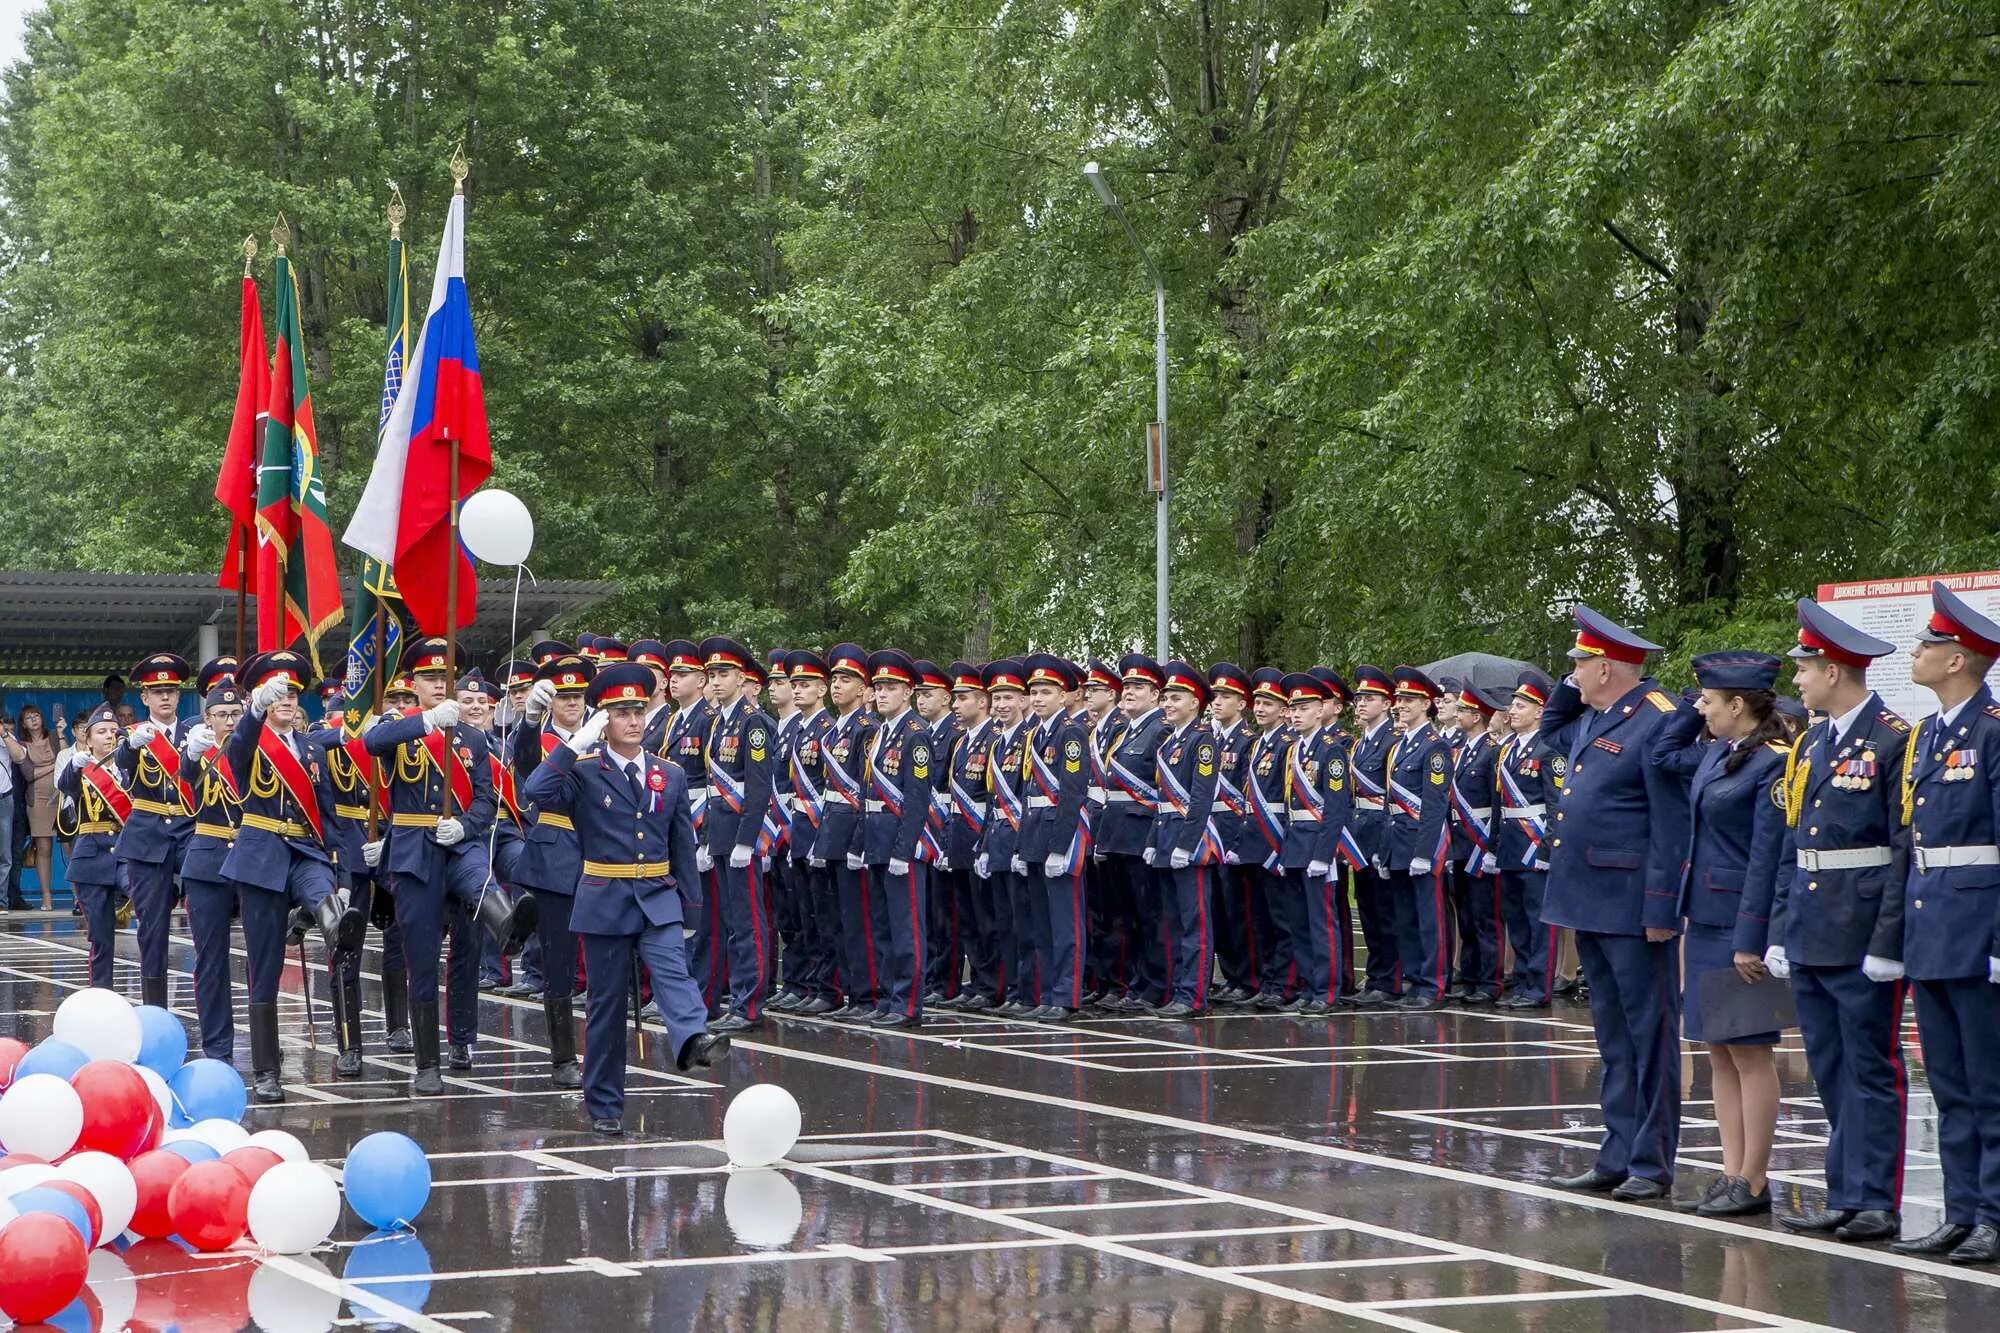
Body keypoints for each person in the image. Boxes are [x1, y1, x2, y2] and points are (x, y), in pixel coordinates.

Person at [521, 662, 729, 1134]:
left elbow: (679, 842)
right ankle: (605, 1105)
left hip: (657, 894)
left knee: (674, 970)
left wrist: (690, 909)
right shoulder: (585, 772)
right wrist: (574, 745)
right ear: (604, 719)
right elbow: (535, 790)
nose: (633, 720)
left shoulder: (668, 774)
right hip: (604, 897)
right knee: (606, 1007)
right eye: (620, 712)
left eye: (638, 710)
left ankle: (693, 1039)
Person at [1765, 598, 1911, 1243]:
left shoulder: (1892, 738)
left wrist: (1887, 939)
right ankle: (1845, 1191)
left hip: (1860, 927)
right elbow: (1792, 844)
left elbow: (1903, 849)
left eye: (1805, 667)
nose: (1796, 680)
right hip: (1812, 924)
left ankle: (1875, 1196)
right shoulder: (1811, 742)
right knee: (1828, 1065)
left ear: (1835, 670)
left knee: (1871, 1066)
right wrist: (1777, 930)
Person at [1540, 605, 1692, 1202]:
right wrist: (1574, 682)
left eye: (1579, 663)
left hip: (1632, 904)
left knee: (1649, 1036)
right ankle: (1616, 1151)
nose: (1570, 674)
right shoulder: (1596, 717)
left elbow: (1670, 823)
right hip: (1589, 899)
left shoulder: (1658, 719)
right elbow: (1551, 729)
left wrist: (1661, 908)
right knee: (1612, 1037)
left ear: (1606, 667)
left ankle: (1650, 1163)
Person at [1651, 652, 1790, 1217]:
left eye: (1710, 700)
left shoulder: (1773, 764)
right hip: (1704, 915)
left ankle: (1755, 1178)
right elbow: (1663, 756)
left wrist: (1753, 936)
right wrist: (1692, 708)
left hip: (1741, 921)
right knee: (1718, 1051)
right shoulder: (1716, 753)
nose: (1700, 707)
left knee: (1750, 1051)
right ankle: (1729, 1171)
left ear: (1739, 705)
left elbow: (1768, 857)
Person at [363, 637, 533, 1095]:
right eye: (431, 677)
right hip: (415, 852)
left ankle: (464, 1037)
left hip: (459, 845)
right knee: (422, 958)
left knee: (471, 928)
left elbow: (484, 799)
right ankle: (427, 1061)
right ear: (413, 683)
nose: (440, 684)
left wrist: (465, 825)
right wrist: (425, 722)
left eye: (445, 677)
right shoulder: (400, 726)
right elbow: (372, 741)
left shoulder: (474, 738)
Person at [1886, 583, 2000, 1263]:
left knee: (1989, 1083)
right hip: (1933, 923)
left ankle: (1992, 1209)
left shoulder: (1992, 731)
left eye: (1929, 644)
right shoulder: (1928, 732)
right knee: (1950, 1084)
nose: (1918, 653)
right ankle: (1962, 1210)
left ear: (1958, 658)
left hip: (1977, 925)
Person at [221, 651, 365, 1103]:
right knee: (263, 965)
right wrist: (254, 710)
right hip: (261, 855)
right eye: (277, 692)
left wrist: (340, 868)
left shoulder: (313, 747)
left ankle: (331, 916)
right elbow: (240, 748)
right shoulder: (246, 742)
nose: (287, 698)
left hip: (306, 851)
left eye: (292, 692)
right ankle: (266, 1070)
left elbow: (328, 811)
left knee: (324, 895)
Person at [515, 653, 597, 1087]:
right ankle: (563, 1055)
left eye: (578, 695)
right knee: (560, 962)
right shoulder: (541, 738)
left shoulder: (602, 735)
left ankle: (601, 1048)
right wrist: (529, 721)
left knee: (604, 958)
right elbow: (525, 765)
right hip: (555, 855)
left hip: (601, 853)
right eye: (563, 696)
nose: (571, 703)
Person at [694, 636, 777, 1032]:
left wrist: (747, 839)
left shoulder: (753, 722)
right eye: (711, 674)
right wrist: (710, 839)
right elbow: (714, 788)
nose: (717, 681)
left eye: (724, 673)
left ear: (742, 677)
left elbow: (759, 787)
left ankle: (750, 1004)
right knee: (731, 922)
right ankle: (739, 997)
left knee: (748, 924)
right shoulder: (719, 721)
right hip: (722, 835)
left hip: (742, 837)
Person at [854, 649, 934, 1027]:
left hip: (900, 844)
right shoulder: (880, 733)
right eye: (879, 687)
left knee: (906, 929)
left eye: (891, 687)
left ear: (908, 692)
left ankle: (907, 1003)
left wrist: (904, 849)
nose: (882, 694)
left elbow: (917, 800)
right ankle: (887, 997)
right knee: (882, 926)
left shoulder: (915, 735)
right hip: (876, 841)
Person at [111, 653, 195, 1008]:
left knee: (214, 909)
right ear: (144, 697)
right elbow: (123, 765)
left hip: (192, 831)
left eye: (171, 691)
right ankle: (154, 1009)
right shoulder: (131, 735)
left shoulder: (196, 732)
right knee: (153, 928)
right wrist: (130, 745)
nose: (165, 697)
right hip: (149, 834)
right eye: (157, 690)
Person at [1146, 662, 1222, 1017]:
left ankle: (1193, 996)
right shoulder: (1169, 741)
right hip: (1165, 840)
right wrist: (1152, 840)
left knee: (1195, 924)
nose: (1168, 704)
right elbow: (1161, 798)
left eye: (1176, 698)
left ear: (1195, 702)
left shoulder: (1202, 741)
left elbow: (1202, 798)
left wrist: (1186, 845)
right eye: (1166, 698)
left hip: (1188, 845)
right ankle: (1177, 989)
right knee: (1172, 923)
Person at [177, 682, 246, 1062]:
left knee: (263, 959)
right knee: (211, 959)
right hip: (208, 861)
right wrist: (192, 751)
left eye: (236, 714)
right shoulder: (199, 751)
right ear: (208, 719)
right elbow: (185, 775)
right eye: (222, 715)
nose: (230, 721)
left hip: (252, 859)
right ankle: (218, 1046)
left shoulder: (256, 752)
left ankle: (266, 1042)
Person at [1099, 656, 1168, 1010]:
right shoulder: (1129, 730)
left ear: (1156, 695)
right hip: (1118, 835)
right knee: (1128, 917)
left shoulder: (1161, 729)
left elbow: (1164, 789)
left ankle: (1156, 985)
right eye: (1126, 687)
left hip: (1142, 834)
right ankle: (1138, 982)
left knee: (1151, 915)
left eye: (1138, 687)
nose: (1128, 693)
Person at [1384, 667, 1453, 1011]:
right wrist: (1385, 852)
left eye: (1409, 700)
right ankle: (1414, 979)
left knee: (1429, 918)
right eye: (1398, 699)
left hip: (1420, 842)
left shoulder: (1435, 747)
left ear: (1427, 704)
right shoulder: (1399, 747)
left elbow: (1435, 803)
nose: (1400, 705)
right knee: (1406, 918)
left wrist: (1425, 852)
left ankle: (1432, 983)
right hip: (1397, 842)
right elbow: (1389, 803)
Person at [779, 649, 840, 1014]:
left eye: (805, 685)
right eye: (795, 684)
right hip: (798, 829)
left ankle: (827, 987)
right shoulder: (798, 730)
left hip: (818, 828)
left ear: (822, 689)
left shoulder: (827, 730)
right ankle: (804, 983)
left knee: (822, 916)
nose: (797, 690)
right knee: (801, 915)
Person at [1493, 669, 1559, 1009]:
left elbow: (1556, 803)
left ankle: (1539, 986)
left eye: (1521, 705)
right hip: (1510, 844)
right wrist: (1493, 848)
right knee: (1516, 919)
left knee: (1538, 920)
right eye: (1512, 705)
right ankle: (1521, 980)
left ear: (1540, 710)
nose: (1512, 710)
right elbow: (1497, 803)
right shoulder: (1507, 749)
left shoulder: (1549, 748)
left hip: (1535, 845)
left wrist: (1548, 848)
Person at [54, 706, 130, 987]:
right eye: (102, 731)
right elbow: (66, 786)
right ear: (88, 739)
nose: (109, 736)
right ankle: (102, 994)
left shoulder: (129, 767)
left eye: (113, 731)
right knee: (101, 937)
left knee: (147, 906)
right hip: (91, 858)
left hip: (125, 854)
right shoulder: (81, 768)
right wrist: (74, 764)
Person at [937, 661, 996, 1009]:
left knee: (987, 918)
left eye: (963, 698)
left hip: (979, 837)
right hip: (959, 837)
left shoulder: (992, 739)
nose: (956, 705)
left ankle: (990, 984)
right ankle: (976, 982)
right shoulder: (962, 743)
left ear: (982, 702)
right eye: (955, 699)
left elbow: (991, 797)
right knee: (968, 918)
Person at [1445, 685, 1506, 1004]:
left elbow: (1496, 803)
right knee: (1466, 916)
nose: (1457, 716)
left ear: (1477, 716)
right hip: (1459, 842)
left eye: (1463, 711)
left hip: (1480, 841)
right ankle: (1470, 976)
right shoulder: (1462, 750)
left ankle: (1490, 980)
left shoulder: (1491, 751)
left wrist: (1492, 847)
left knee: (1485, 916)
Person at [1207, 663, 1261, 1004]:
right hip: (1209, 832)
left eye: (1226, 696)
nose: (1217, 702)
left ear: (1242, 704)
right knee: (1218, 910)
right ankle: (1229, 975)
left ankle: (1247, 977)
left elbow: (1246, 795)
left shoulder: (1248, 742)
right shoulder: (1209, 740)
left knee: (1239, 910)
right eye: (1215, 696)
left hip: (1232, 832)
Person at [1346, 665, 1400, 1005]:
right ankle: (1377, 975)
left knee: (1386, 911)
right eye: (1359, 698)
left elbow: (1392, 795)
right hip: (1360, 833)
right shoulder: (1360, 744)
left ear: (1387, 703)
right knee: (1367, 909)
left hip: (1382, 830)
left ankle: (1391, 978)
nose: (1362, 704)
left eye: (1370, 698)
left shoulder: (1392, 741)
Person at [16, 706, 57, 910]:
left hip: (62, 796)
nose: (33, 719)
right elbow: (29, 774)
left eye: (36, 715)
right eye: (28, 718)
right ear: (23, 724)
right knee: (43, 848)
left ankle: (79, 896)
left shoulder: (54, 736)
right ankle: (46, 896)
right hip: (38, 801)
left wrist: (61, 732)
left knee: (70, 847)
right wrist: (53, 765)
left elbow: (66, 760)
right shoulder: (23, 744)